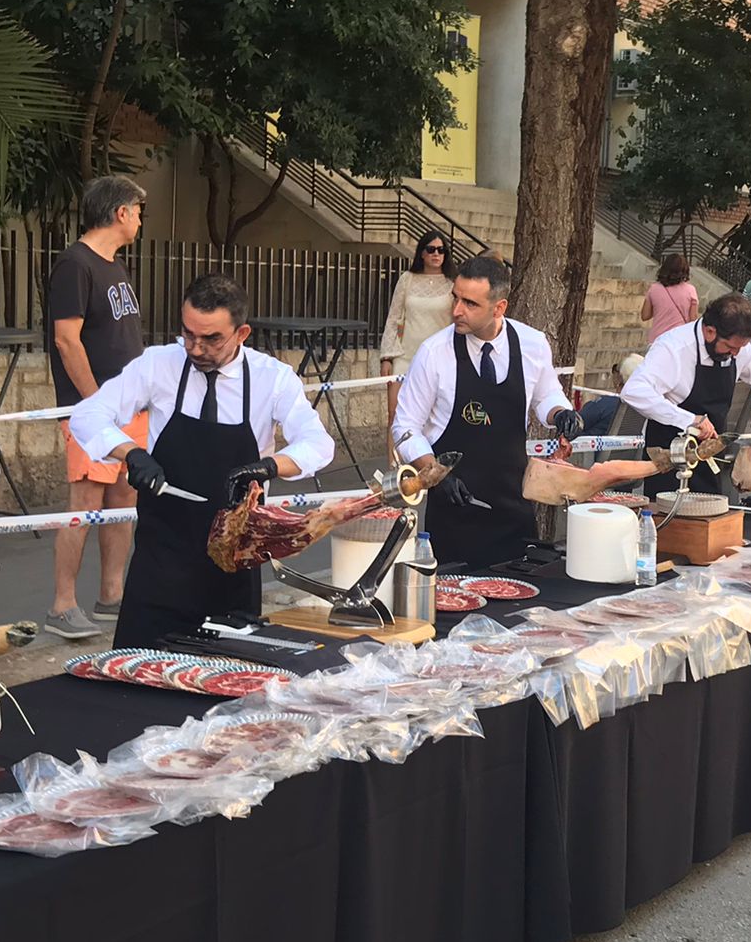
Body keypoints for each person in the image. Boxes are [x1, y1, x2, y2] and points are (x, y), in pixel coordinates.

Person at [72, 274, 333, 645]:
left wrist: (270, 466)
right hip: (161, 563)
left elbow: (318, 444)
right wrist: (131, 453)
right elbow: (88, 415)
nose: (195, 348)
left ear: (242, 333)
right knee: (136, 683)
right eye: (188, 334)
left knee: (227, 686)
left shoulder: (271, 379)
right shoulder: (158, 365)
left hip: (233, 566)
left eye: (211, 339)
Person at [393, 256, 577, 568]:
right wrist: (435, 472)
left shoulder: (532, 344)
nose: (456, 311)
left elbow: (546, 395)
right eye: (456, 298)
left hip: (513, 510)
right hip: (453, 514)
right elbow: (405, 427)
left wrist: (560, 413)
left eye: (470, 303)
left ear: (499, 307)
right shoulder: (434, 353)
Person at [43, 175, 147, 641]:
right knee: (84, 503)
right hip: (94, 410)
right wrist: (94, 405)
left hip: (129, 408)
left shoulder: (113, 266)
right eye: (138, 211)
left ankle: (112, 595)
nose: (141, 221)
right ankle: (62, 604)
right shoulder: (75, 264)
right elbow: (68, 340)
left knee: (124, 498)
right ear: (121, 212)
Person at [623, 294, 751, 495]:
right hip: (670, 458)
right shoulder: (673, 347)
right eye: (730, 347)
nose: (736, 354)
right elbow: (634, 391)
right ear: (710, 331)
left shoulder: (739, 351)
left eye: (740, 348)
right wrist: (689, 419)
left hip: (710, 456)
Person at [377, 229, 456, 440]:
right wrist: (386, 357)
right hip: (405, 357)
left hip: (439, 360)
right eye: (431, 249)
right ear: (422, 253)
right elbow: (393, 318)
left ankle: (428, 467)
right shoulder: (407, 279)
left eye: (441, 250)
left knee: (432, 418)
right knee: (395, 415)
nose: (436, 254)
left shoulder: (453, 284)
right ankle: (394, 469)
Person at [578, 354, 644, 436]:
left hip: (589, 447)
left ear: (620, 379)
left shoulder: (604, 404)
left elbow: (575, 423)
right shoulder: (645, 408)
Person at [641, 254, 700, 344]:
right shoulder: (690, 290)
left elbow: (645, 315)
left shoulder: (654, 289)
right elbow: (693, 319)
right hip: (679, 340)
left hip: (657, 340)